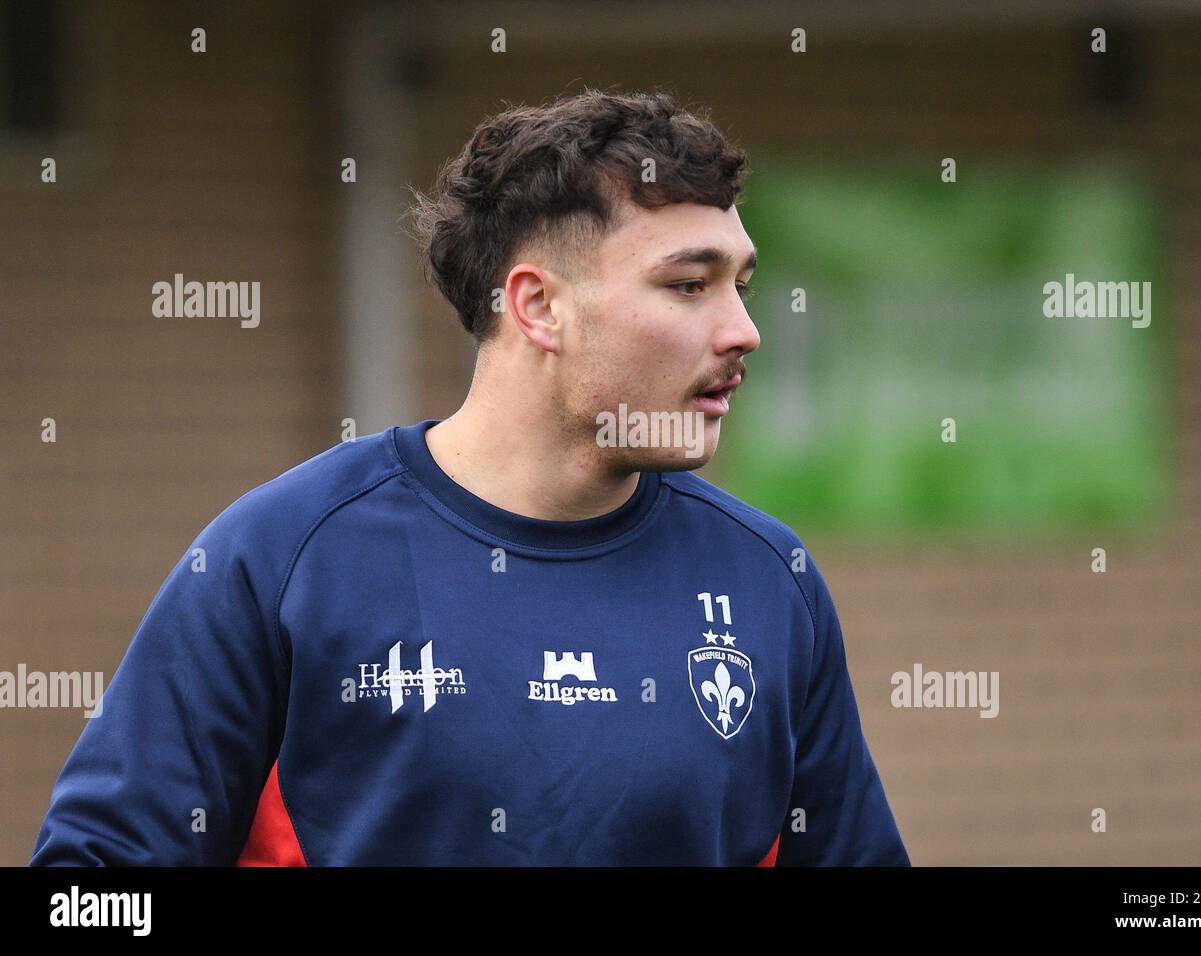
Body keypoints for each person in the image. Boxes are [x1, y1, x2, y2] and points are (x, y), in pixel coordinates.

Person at [30, 88, 909, 866]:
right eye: (689, 287)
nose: (744, 330)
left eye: (742, 285)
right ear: (536, 307)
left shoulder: (768, 579)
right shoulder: (280, 558)